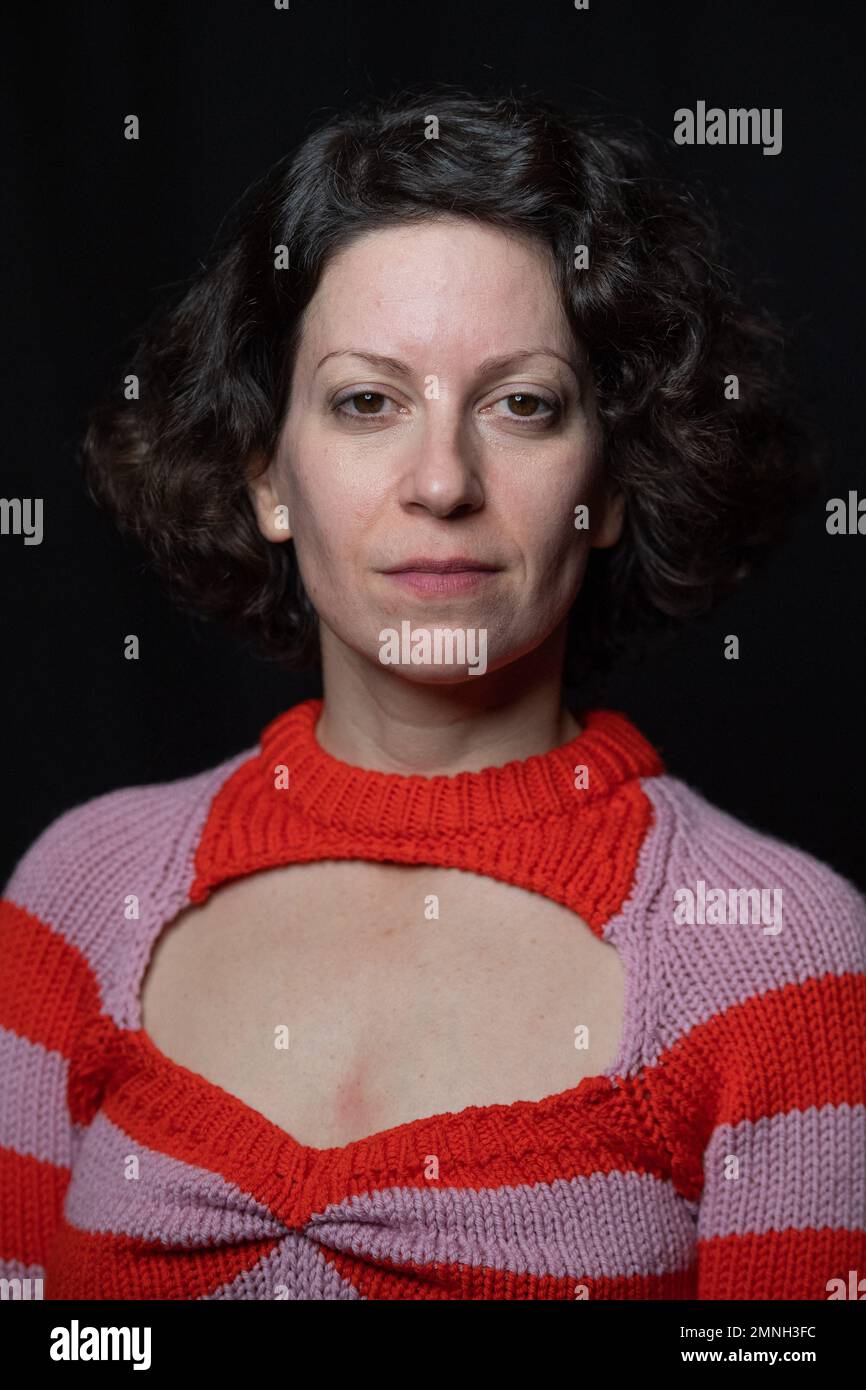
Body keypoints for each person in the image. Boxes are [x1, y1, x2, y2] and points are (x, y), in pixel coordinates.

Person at [1, 88, 863, 1302]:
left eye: (521, 404)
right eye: (367, 402)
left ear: (612, 485)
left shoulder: (780, 953)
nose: (443, 480)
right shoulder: (81, 895)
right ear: (267, 480)